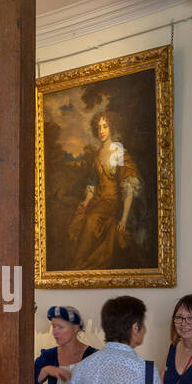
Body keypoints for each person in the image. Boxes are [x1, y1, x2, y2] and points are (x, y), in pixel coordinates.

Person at [68, 112, 142, 271]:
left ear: (112, 128)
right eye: (99, 127)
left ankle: (80, 263)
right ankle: (78, 265)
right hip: (97, 200)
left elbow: (128, 185)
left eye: (105, 126)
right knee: (80, 217)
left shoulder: (119, 150)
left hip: (111, 201)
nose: (101, 130)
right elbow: (92, 183)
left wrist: (123, 218)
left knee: (91, 220)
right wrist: (86, 202)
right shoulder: (97, 155)